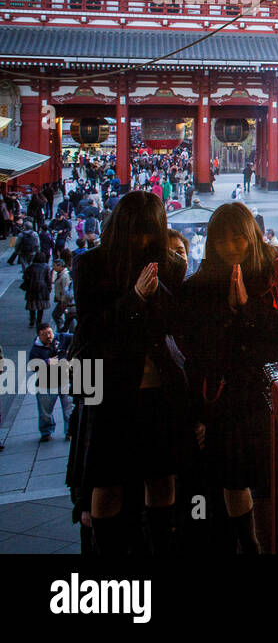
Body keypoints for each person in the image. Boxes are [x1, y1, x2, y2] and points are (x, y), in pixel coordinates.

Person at [179, 202, 278, 554]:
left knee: (266, 472)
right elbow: (194, 349)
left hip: (267, 387)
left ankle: (271, 539)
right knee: (232, 473)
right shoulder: (201, 284)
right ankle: (247, 542)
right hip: (225, 391)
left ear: (252, 237)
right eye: (222, 240)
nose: (231, 247)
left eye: (239, 239)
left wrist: (246, 309)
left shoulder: (277, 271)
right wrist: (196, 411)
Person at [67, 190, 190, 555]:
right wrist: (134, 299)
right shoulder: (90, 264)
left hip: (160, 389)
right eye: (139, 231)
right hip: (111, 390)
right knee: (107, 484)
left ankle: (161, 545)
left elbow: (174, 323)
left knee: (162, 478)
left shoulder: (170, 263)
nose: (143, 240)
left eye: (150, 232)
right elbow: (92, 329)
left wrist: (155, 294)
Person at [31, 324, 74, 442]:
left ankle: (70, 431)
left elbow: (76, 337)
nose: (48, 336)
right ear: (39, 336)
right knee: (45, 412)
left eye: (49, 333)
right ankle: (46, 432)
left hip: (65, 380)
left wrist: (70, 351)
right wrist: (47, 362)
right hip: (46, 384)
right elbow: (32, 366)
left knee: (69, 409)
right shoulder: (36, 348)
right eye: (44, 335)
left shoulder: (62, 338)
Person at [22, 249, 52, 329]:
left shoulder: (31, 267)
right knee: (41, 306)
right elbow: (48, 279)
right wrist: (49, 288)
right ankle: (39, 321)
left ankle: (32, 319)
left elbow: (25, 277)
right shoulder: (46, 267)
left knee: (32, 304)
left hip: (32, 287)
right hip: (42, 287)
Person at [51, 258, 75, 331]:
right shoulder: (60, 274)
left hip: (64, 301)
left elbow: (66, 290)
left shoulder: (64, 276)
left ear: (60, 266)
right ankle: (70, 331)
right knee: (68, 317)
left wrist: (63, 301)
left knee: (56, 315)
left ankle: (62, 329)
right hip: (62, 300)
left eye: (54, 266)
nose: (53, 267)